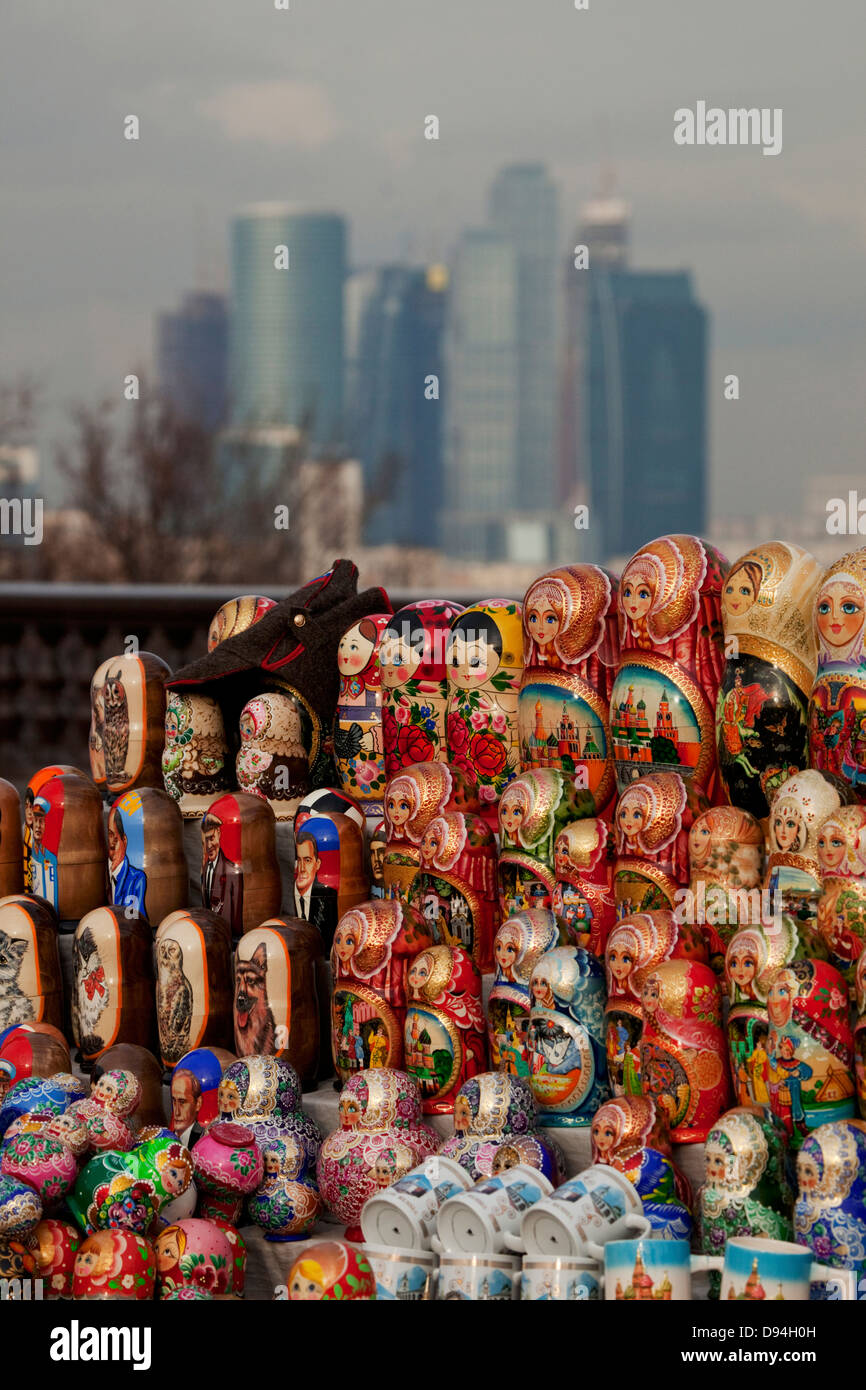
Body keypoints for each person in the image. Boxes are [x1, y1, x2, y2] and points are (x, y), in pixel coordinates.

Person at [201, 811, 244, 933]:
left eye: (212, 838)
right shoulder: (204, 870)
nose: (209, 845)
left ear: (219, 834)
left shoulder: (233, 872)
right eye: (205, 840)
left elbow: (236, 918)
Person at [293, 830, 338, 946]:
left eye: (307, 860)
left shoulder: (329, 895)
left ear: (317, 864)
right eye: (299, 860)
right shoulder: (294, 893)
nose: (302, 868)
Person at [107, 807, 147, 917]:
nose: (112, 844)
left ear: (124, 840)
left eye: (115, 839)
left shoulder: (136, 879)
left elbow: (135, 920)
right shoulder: (104, 875)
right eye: (109, 836)